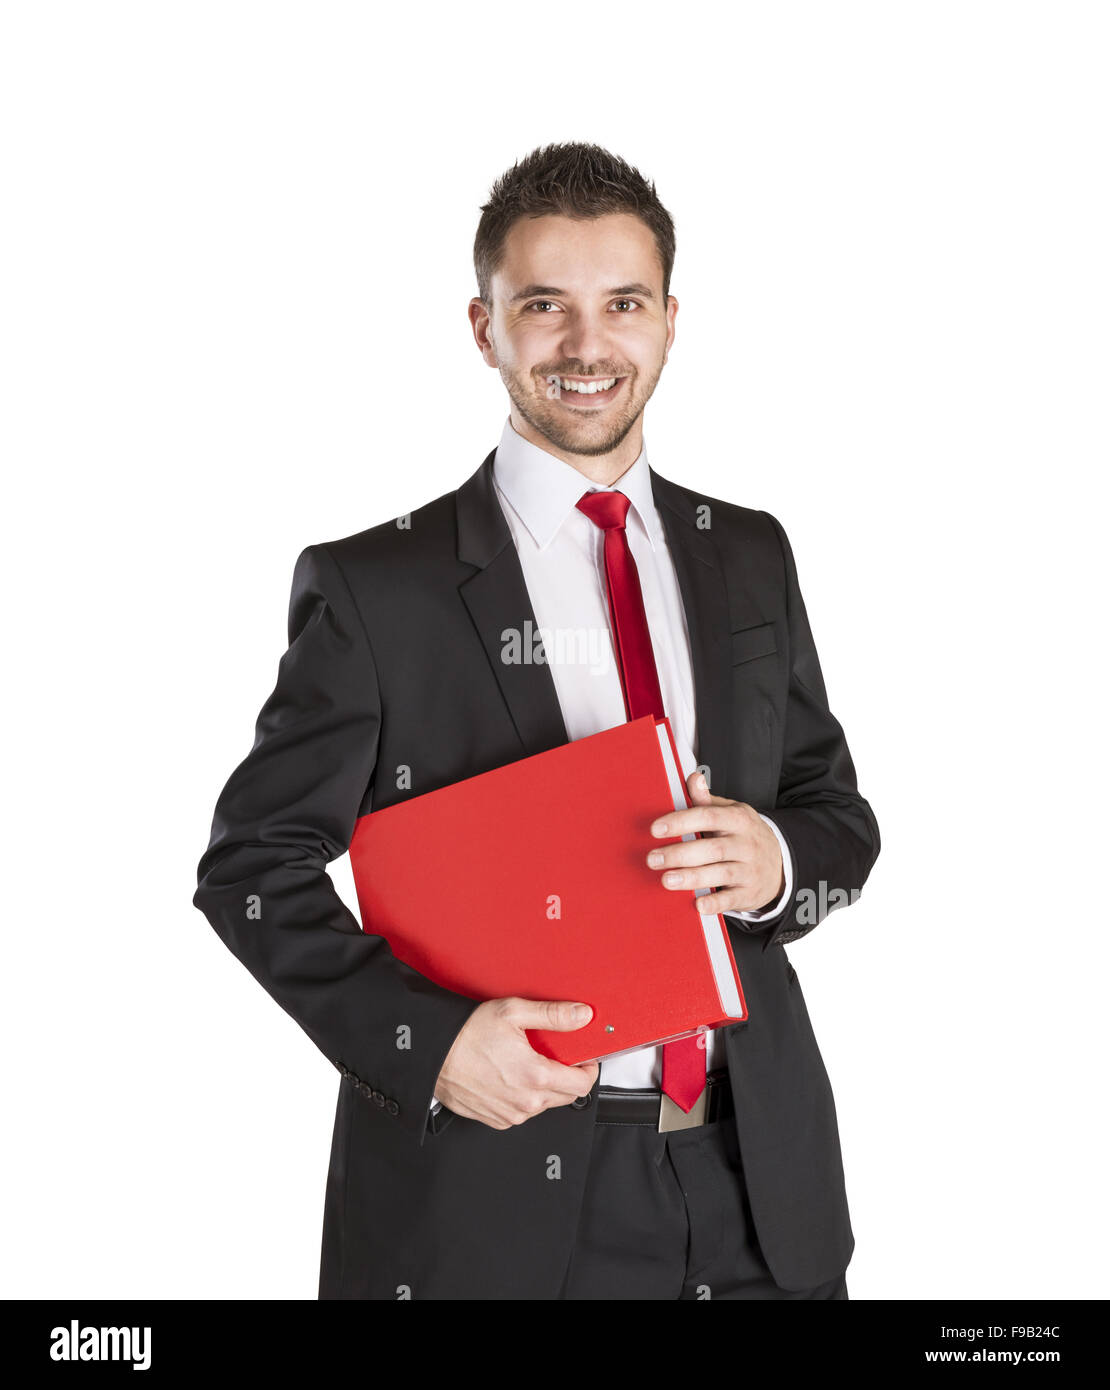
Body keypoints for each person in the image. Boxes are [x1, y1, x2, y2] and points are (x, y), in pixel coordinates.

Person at [193, 141, 880, 1300]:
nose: (585, 347)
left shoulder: (749, 553)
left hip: (758, 1181)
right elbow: (250, 868)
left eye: (621, 304)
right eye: (543, 307)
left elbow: (835, 816)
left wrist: (776, 861)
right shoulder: (379, 591)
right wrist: (430, 1044)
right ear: (484, 327)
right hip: (496, 1198)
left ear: (669, 319)